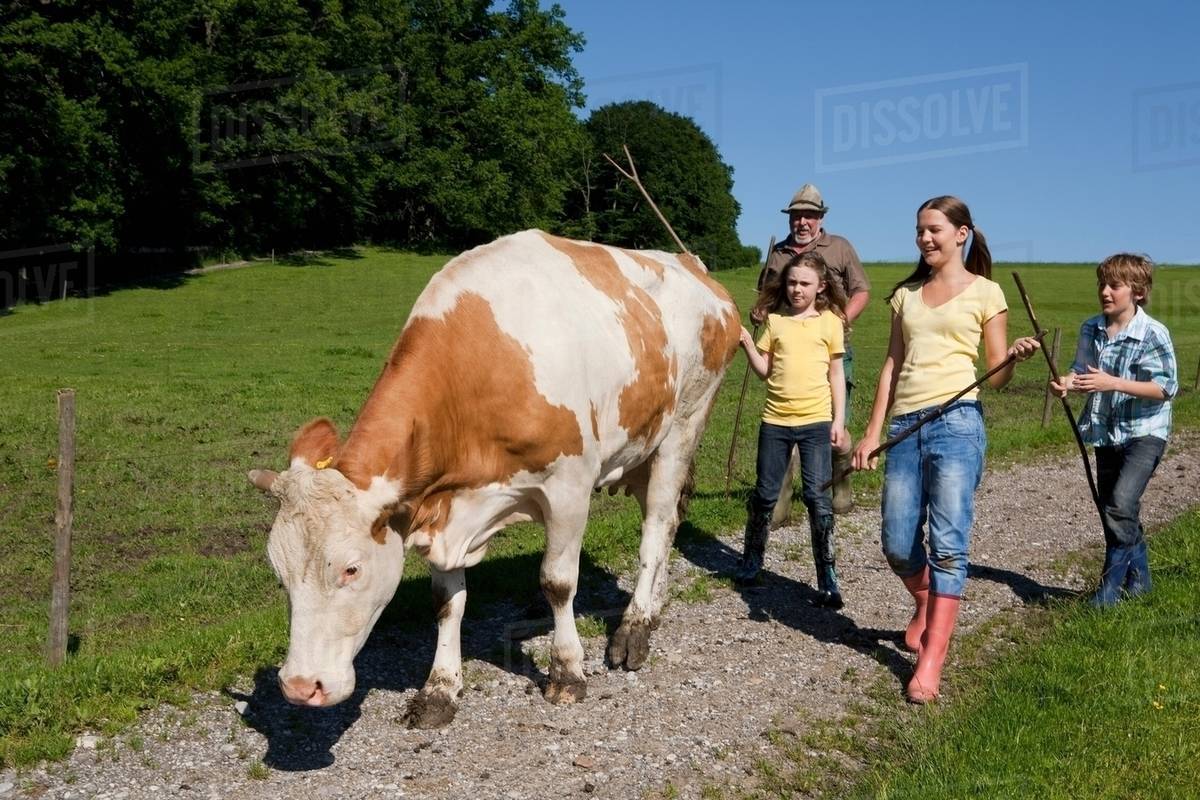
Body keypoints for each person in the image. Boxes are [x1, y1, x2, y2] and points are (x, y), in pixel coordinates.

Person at [851, 196, 1040, 703]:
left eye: (934, 229)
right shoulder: (905, 295)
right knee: (896, 542)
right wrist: (871, 433)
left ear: (962, 234)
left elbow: (996, 377)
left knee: (950, 544)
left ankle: (931, 660)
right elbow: (891, 366)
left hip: (957, 424)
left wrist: (1014, 358)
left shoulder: (987, 292)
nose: (924, 239)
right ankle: (928, 600)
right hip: (906, 427)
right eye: (919, 231)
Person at [1050, 253, 1177, 607]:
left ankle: (1107, 591)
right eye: (1101, 284)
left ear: (1137, 291)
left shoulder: (1153, 333)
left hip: (1145, 431)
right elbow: (1082, 373)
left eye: (1114, 286)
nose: (1105, 292)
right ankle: (1140, 581)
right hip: (1106, 431)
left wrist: (1113, 383)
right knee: (1114, 507)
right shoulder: (1091, 328)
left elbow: (1165, 387)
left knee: (1120, 504)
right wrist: (1065, 383)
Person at [735, 251, 849, 608]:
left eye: (805, 283)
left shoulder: (829, 322)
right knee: (766, 494)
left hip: (815, 423)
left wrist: (838, 421)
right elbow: (764, 370)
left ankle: (827, 574)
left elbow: (836, 375)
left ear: (821, 287)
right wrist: (747, 343)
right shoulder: (777, 322)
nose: (797, 289)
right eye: (792, 282)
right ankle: (752, 562)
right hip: (775, 422)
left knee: (817, 496)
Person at [758, 184, 869, 516]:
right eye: (796, 216)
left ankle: (840, 483)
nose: (802, 221)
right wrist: (760, 311)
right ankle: (781, 501)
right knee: (786, 423)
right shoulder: (777, 253)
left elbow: (862, 291)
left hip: (833, 352)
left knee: (836, 430)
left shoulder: (839, 247)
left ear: (820, 217)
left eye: (809, 215)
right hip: (788, 352)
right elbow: (767, 297)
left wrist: (839, 321)